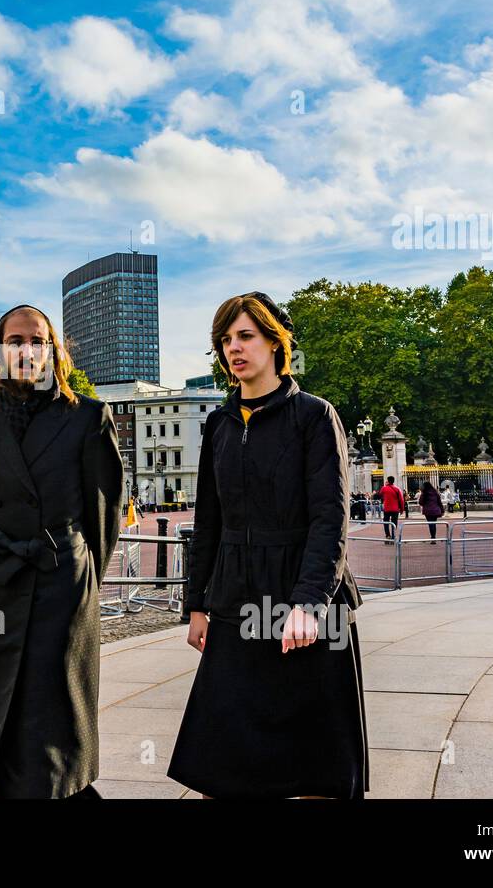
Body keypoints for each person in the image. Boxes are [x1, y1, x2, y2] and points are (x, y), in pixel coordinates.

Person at [167, 291, 369, 799]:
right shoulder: (217, 423)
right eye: (225, 340)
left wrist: (309, 604)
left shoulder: (314, 416)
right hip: (236, 597)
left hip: (306, 599)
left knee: (314, 765)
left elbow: (330, 518)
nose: (233, 348)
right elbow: (208, 522)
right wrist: (196, 605)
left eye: (245, 336)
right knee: (226, 759)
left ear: (276, 343)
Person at [0, 303, 123, 799]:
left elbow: (105, 516)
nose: (27, 350)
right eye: (16, 341)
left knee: (54, 716)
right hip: (1, 583)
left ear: (54, 351)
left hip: (62, 584)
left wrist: (80, 575)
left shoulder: (88, 416)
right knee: (8, 710)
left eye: (38, 341)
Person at [379, 476, 404, 544]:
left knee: (386, 522)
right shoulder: (397, 489)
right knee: (394, 523)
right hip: (395, 509)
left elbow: (380, 494)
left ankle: (387, 535)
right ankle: (393, 536)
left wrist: (385, 486)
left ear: (388, 481)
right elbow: (401, 500)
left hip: (387, 508)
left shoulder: (384, 488)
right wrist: (401, 509)